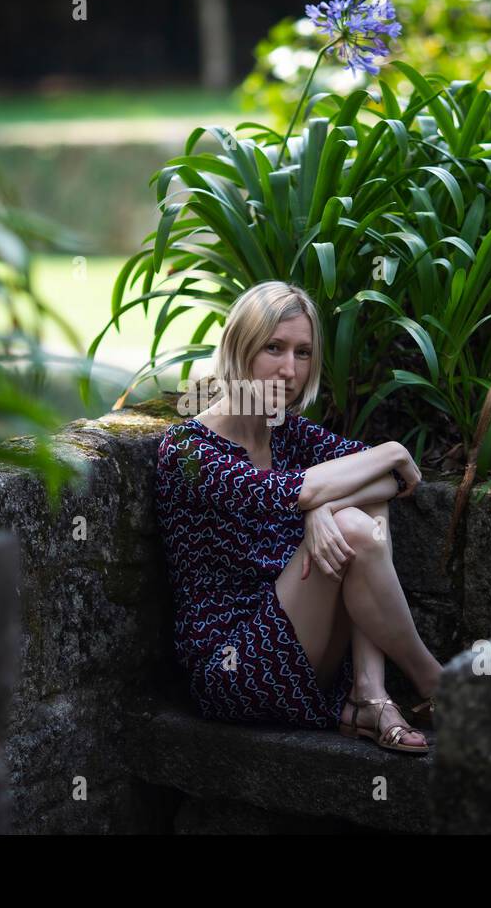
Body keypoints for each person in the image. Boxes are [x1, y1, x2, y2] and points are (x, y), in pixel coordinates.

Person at [154, 280, 445, 754]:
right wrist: (389, 451)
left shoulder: (287, 432)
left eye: (303, 353)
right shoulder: (188, 451)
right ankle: (431, 680)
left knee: (357, 506)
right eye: (274, 348)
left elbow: (393, 483)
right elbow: (291, 491)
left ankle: (370, 691)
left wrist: (323, 506)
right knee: (354, 518)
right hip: (235, 663)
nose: (289, 369)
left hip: (307, 642)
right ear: (239, 347)